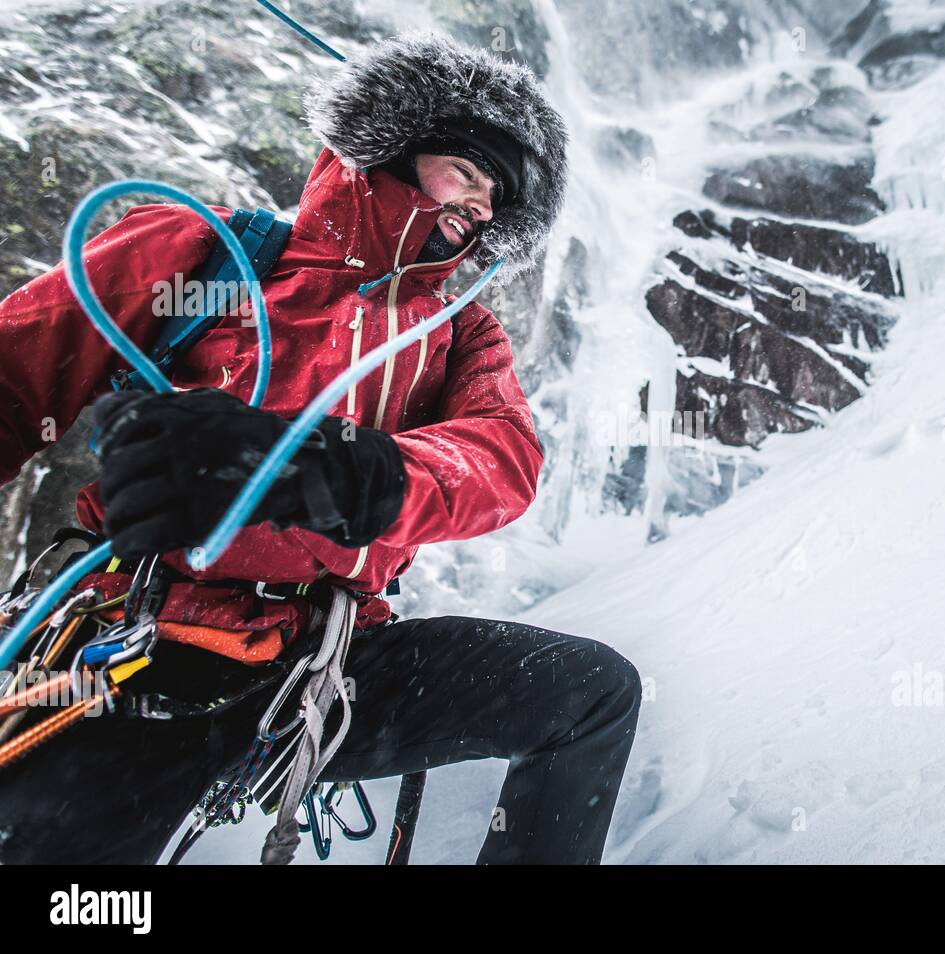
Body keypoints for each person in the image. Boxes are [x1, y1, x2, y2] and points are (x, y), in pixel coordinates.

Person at [0, 32, 640, 865]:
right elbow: (15, 382)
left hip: (328, 668)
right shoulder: (208, 254)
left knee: (588, 695)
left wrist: (341, 469)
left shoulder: (459, 333)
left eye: (497, 204)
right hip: (143, 646)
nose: (481, 211)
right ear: (395, 148)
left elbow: (501, 459)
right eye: (471, 176)